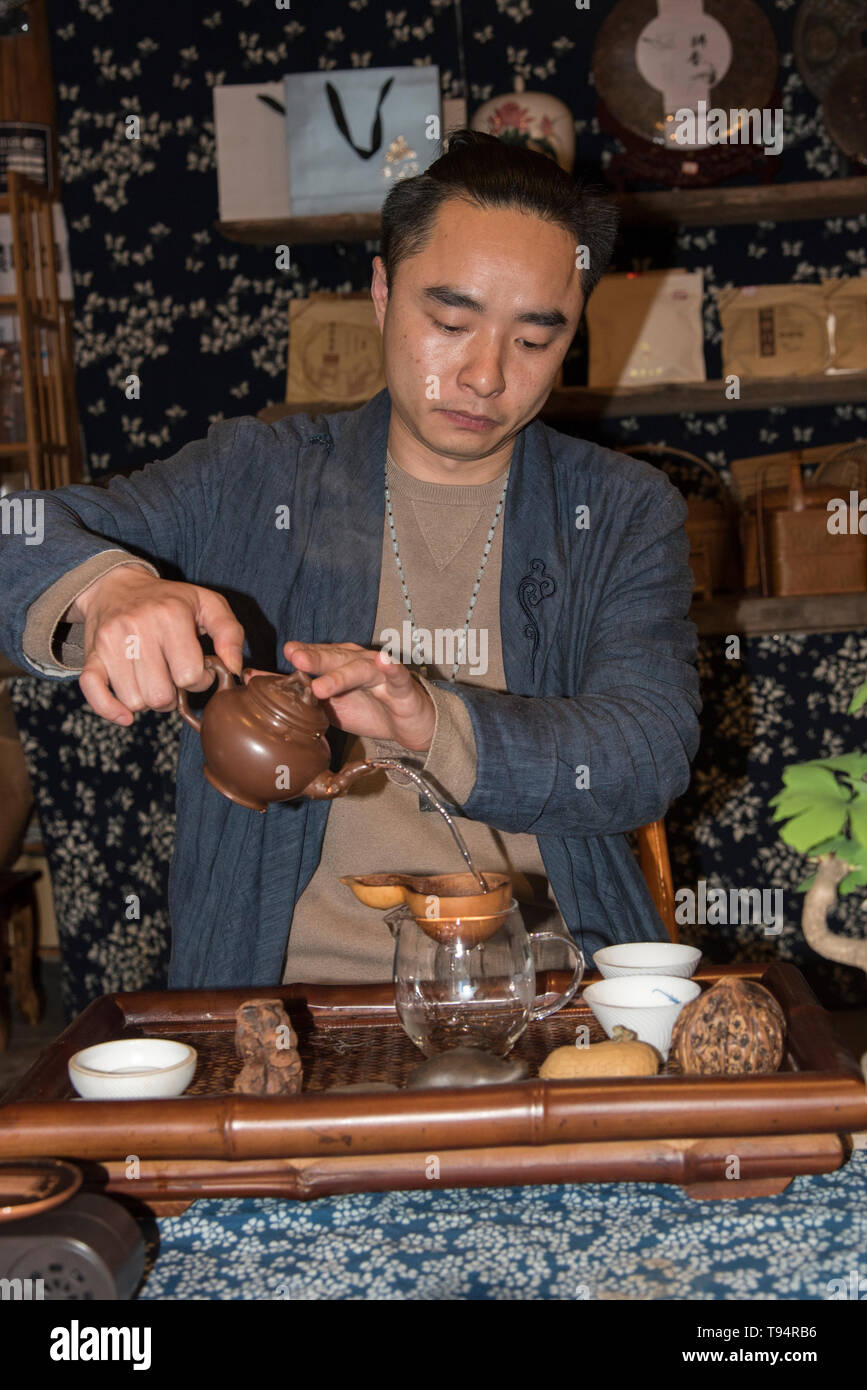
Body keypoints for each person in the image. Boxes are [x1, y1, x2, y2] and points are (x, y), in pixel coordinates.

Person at [0, 130, 700, 989]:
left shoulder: (620, 511)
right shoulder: (256, 476)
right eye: (448, 321)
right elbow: (20, 527)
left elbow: (648, 751)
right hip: (288, 999)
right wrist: (107, 588)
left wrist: (432, 724)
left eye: (532, 341)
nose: (483, 375)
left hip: (552, 993)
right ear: (380, 292)